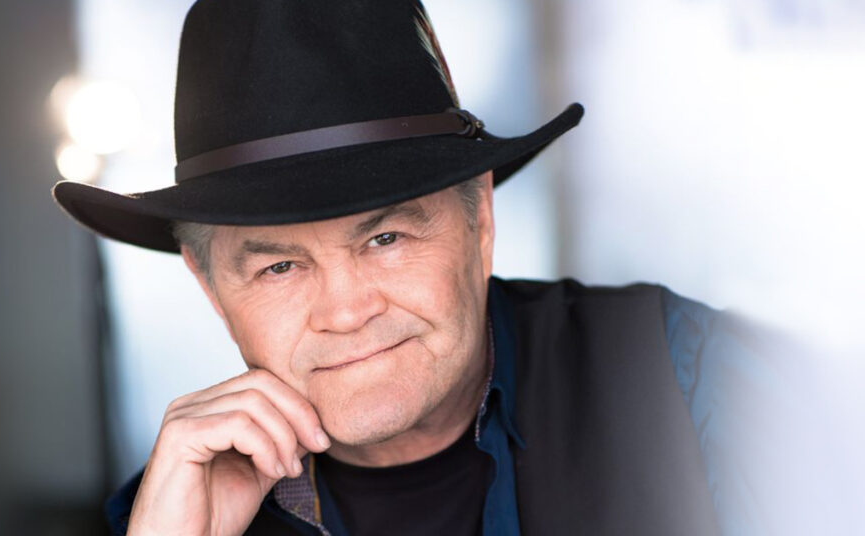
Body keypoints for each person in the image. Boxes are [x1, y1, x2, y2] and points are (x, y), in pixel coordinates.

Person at [52, 1, 809, 534]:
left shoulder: (696, 376)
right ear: (211, 287)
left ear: (480, 222)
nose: (346, 311)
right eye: (279, 267)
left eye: (385, 238)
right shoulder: (176, 509)